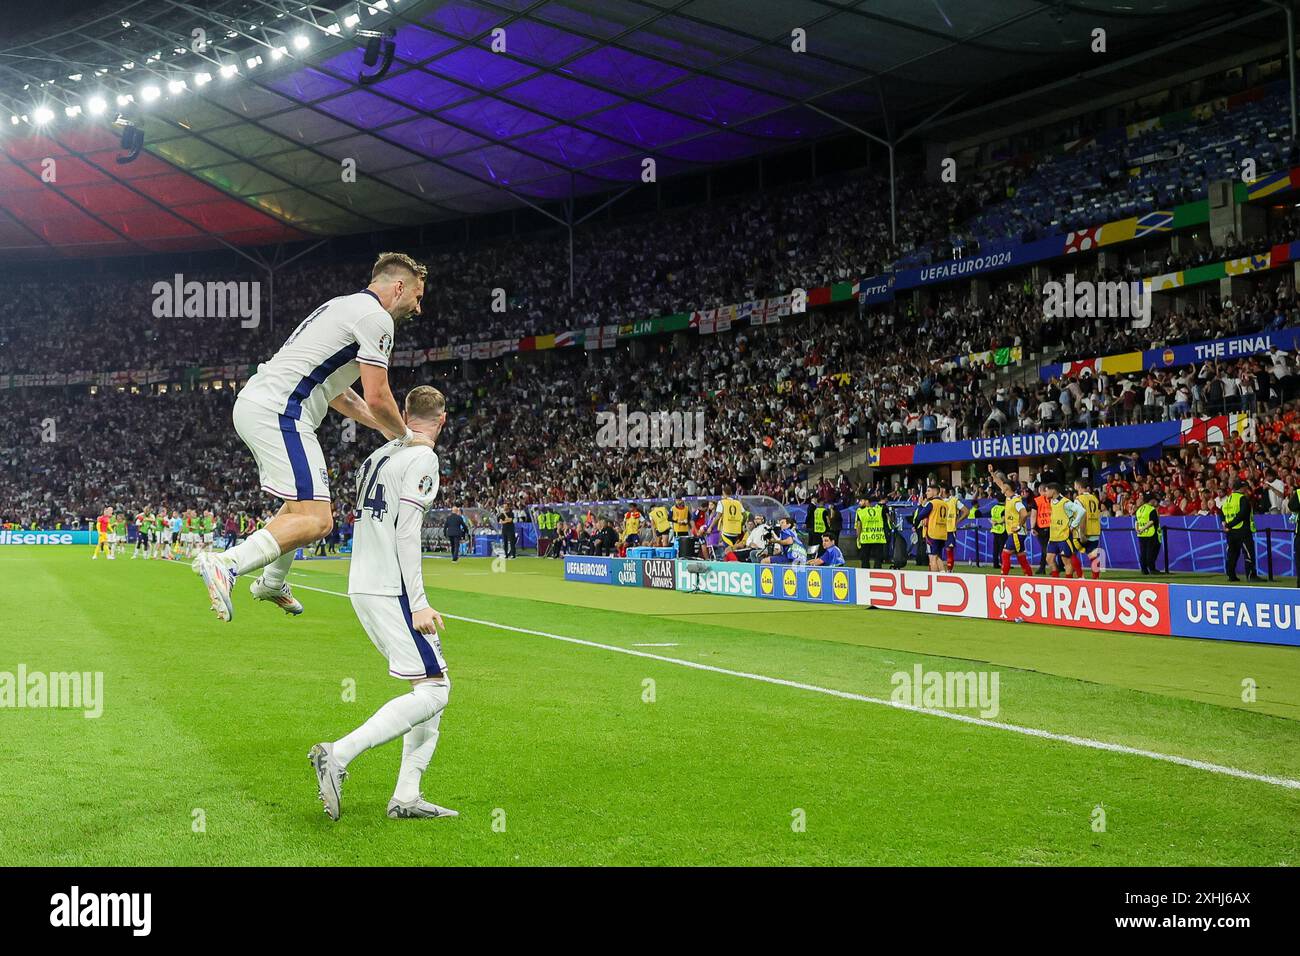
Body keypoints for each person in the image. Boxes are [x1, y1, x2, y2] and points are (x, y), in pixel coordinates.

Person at [193, 252, 432, 623]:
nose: (418, 308)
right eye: (417, 296)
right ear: (399, 286)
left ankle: (273, 580)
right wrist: (406, 437)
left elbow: (340, 393)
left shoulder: (341, 307)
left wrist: (383, 428)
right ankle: (227, 563)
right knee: (319, 520)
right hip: (281, 412)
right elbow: (378, 395)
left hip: (265, 405)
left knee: (299, 507)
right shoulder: (377, 319)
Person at [309, 386, 456, 822]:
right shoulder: (423, 458)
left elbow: (351, 401)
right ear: (442, 419)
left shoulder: (382, 453)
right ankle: (337, 754)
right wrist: (420, 602)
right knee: (434, 690)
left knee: (433, 684)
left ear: (404, 413)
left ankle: (407, 796)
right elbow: (408, 531)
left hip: (364, 583)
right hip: (390, 588)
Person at [989, 467, 1034, 576]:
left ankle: (1003, 578)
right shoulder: (1008, 496)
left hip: (1016, 534)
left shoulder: (1015, 500)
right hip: (1016, 533)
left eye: (1003, 486)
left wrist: (1019, 525)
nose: (1000, 487)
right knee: (1021, 557)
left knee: (1005, 554)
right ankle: (1030, 577)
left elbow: (1024, 513)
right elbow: (999, 482)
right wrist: (991, 473)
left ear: (1007, 487)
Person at [1221, 477, 1260, 582]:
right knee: (1248, 553)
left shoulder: (1228, 499)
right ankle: (1251, 576)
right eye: (1245, 488)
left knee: (1232, 554)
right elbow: (1243, 514)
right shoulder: (1242, 499)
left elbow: (1221, 511)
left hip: (1231, 532)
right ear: (1242, 488)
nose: (1247, 490)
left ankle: (1231, 575)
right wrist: (1230, 524)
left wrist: (1225, 523)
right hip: (1242, 530)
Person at [913, 487, 950, 572]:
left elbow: (920, 516)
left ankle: (934, 580)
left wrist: (920, 505)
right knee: (937, 557)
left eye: (928, 491)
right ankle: (943, 574)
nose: (927, 493)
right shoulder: (944, 504)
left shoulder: (931, 503)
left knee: (932, 558)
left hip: (932, 533)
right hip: (943, 533)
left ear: (935, 492)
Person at [1073, 479, 1106, 579]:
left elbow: (1082, 516)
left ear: (1078, 486)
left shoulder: (1079, 499)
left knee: (1070, 553)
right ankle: (1095, 579)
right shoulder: (1095, 498)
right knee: (1093, 556)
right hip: (1094, 531)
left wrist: (1082, 533)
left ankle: (1080, 576)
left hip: (1083, 531)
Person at [854, 492, 890, 569]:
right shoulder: (879, 510)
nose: (860, 502)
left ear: (867, 501)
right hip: (878, 537)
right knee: (878, 560)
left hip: (866, 538)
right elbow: (887, 519)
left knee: (865, 560)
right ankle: (878, 575)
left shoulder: (860, 512)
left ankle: (865, 576)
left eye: (862, 500)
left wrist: (858, 537)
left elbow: (859, 526)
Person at [1135, 490, 1161, 575]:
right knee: (1150, 552)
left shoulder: (1139, 509)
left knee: (1143, 552)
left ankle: (1144, 569)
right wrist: (1143, 529)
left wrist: (1138, 529)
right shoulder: (1151, 509)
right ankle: (1152, 569)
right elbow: (1152, 521)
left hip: (1141, 534)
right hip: (1150, 533)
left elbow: (1136, 521)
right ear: (1152, 500)